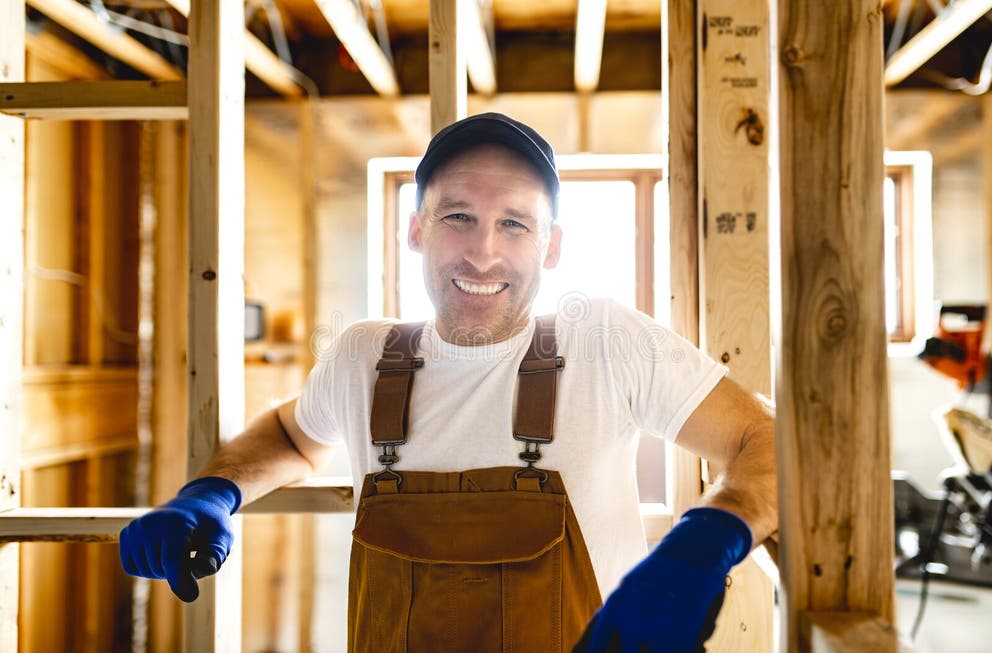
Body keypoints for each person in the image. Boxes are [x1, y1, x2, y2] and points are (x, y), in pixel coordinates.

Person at [119, 112, 777, 652]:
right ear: (416, 229)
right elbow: (292, 435)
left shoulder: (605, 341)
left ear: (551, 247)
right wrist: (210, 492)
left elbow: (767, 440)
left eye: (514, 223)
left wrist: (700, 545)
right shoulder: (364, 358)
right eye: (458, 216)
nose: (483, 252)